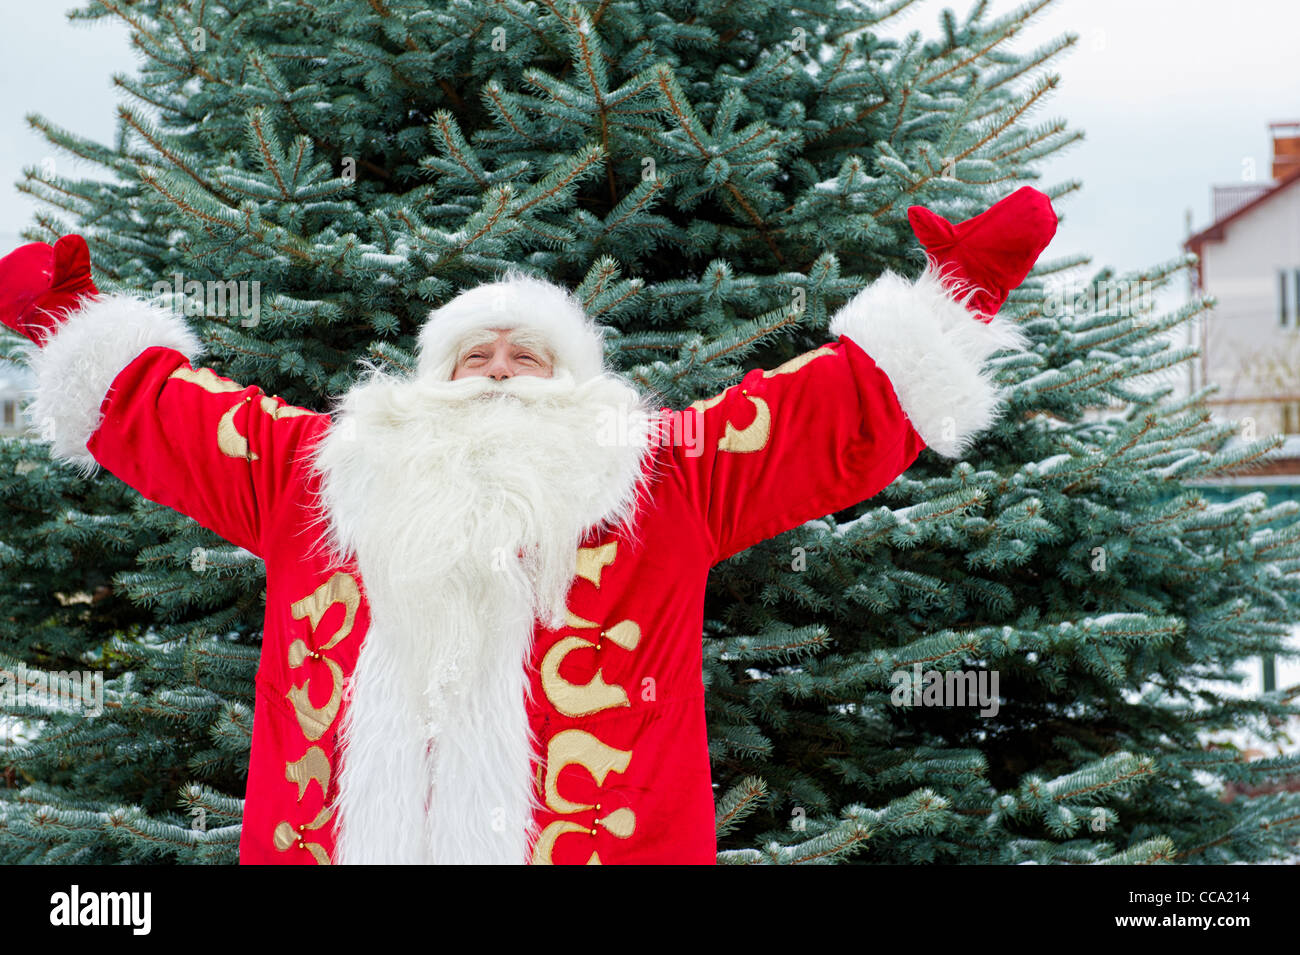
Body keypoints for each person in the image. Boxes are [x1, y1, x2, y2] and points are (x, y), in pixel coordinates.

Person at [0, 186, 1057, 864]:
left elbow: (817, 420)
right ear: (427, 380)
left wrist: (952, 295)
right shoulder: (316, 476)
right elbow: (180, 421)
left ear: (576, 386)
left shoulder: (663, 477)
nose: (497, 370)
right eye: (474, 357)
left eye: (526, 357)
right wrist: (73, 329)